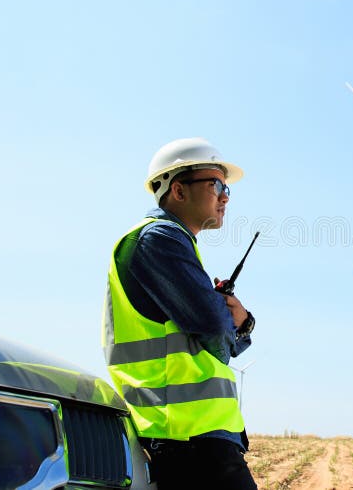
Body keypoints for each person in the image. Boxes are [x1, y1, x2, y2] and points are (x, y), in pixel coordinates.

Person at [102, 137, 258, 489]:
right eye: (216, 185)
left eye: (227, 189)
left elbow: (213, 328)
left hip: (197, 437)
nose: (225, 197)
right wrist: (229, 322)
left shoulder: (175, 243)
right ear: (178, 190)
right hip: (187, 439)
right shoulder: (157, 239)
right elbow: (212, 326)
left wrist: (240, 324)